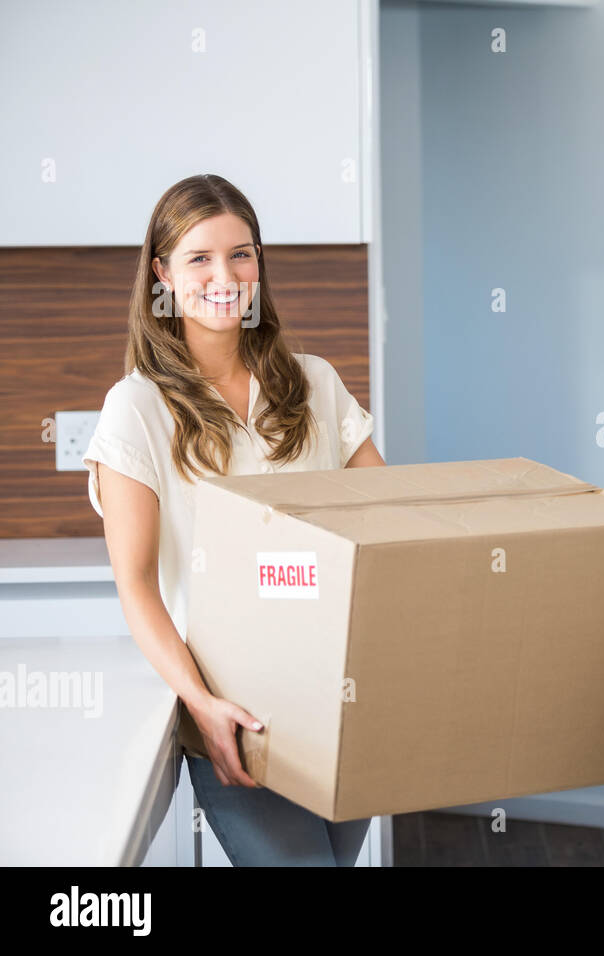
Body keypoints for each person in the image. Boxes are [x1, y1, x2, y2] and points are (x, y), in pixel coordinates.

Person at [82, 174, 387, 866]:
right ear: (161, 274)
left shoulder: (314, 384)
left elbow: (388, 525)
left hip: (344, 700)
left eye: (242, 254)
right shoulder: (136, 410)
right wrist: (198, 702)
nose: (226, 275)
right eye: (199, 258)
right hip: (237, 716)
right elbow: (137, 587)